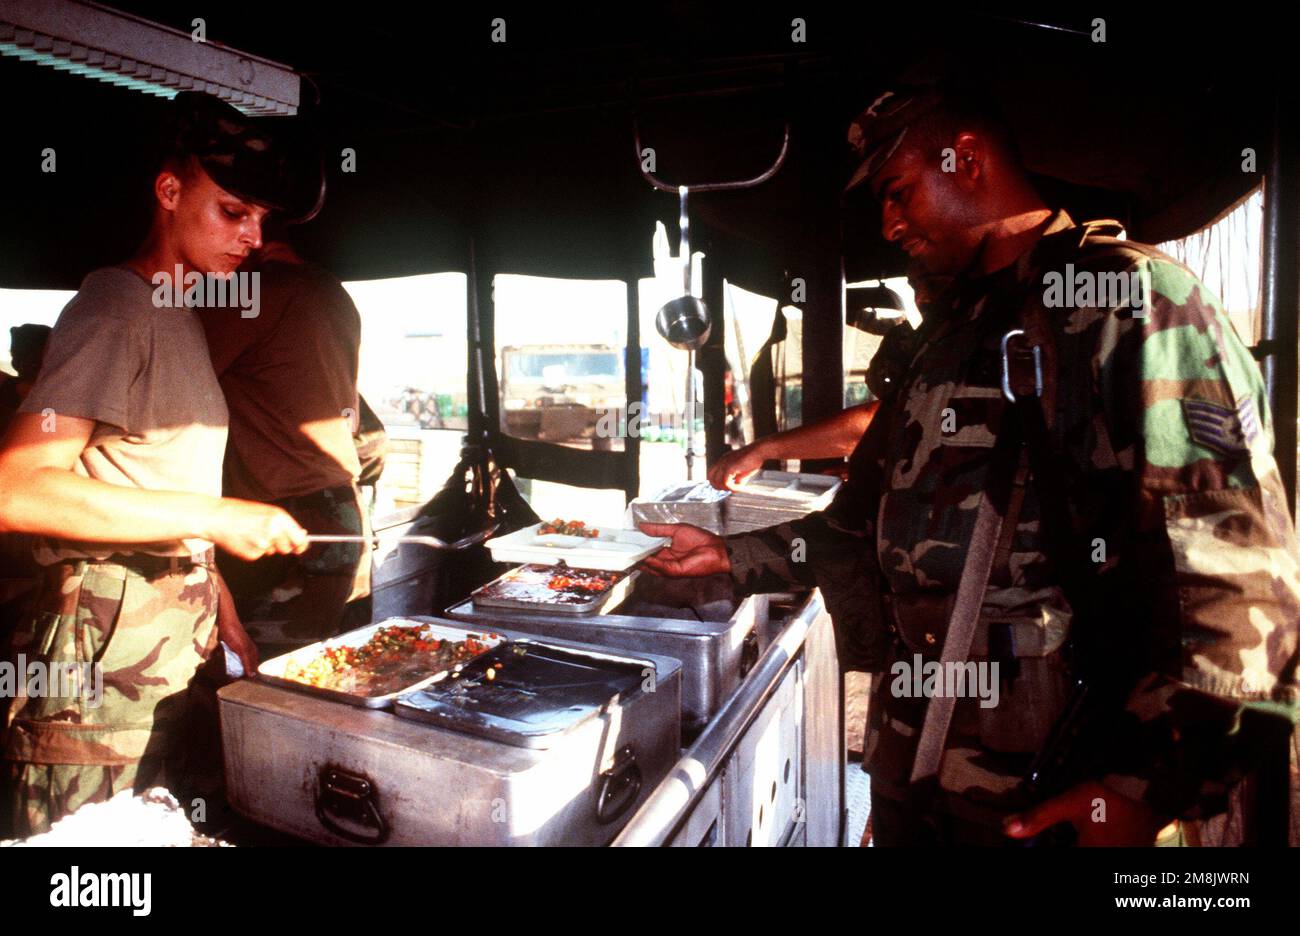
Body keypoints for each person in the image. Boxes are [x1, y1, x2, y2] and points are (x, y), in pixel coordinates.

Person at [640, 85, 1300, 846]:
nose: (889, 225)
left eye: (898, 194)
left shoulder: (1129, 300)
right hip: (917, 771)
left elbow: (1237, 582)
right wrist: (731, 554)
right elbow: (862, 531)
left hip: (1057, 788)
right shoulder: (945, 336)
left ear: (970, 159)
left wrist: (1140, 793)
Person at [0, 92, 313, 836]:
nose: (251, 236)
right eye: (233, 211)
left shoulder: (178, 311)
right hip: (97, 664)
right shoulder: (116, 306)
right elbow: (15, 487)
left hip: (169, 636)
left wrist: (217, 595)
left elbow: (153, 477)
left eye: (261, 220)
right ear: (169, 193)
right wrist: (218, 517)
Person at [201, 237, 372, 650]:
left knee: (258, 672)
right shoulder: (332, 293)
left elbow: (174, 373)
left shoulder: (253, 292)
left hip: (276, 518)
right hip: (338, 507)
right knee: (318, 666)